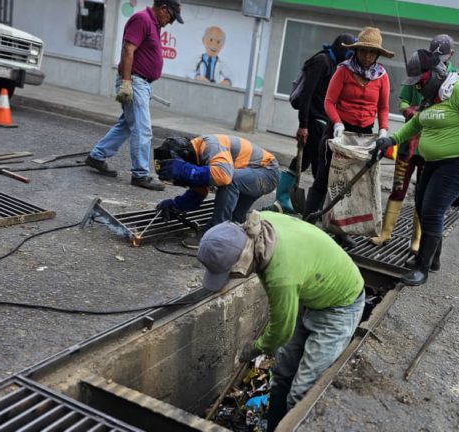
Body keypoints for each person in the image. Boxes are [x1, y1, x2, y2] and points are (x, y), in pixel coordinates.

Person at [196, 211, 364, 431]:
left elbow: (280, 334)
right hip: (311, 290)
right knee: (282, 373)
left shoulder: (281, 277)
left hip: (340, 305)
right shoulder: (262, 223)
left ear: (242, 258)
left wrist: (255, 348)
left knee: (301, 393)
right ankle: (273, 426)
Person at [374, 49, 459, 286]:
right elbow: (416, 124)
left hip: (458, 162)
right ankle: (433, 259)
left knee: (432, 211)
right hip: (433, 162)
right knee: (422, 207)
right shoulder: (431, 97)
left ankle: (422, 268)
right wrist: (392, 139)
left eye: (420, 82)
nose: (418, 88)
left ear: (435, 73)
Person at [371, 34, 459, 252]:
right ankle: (385, 233)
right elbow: (403, 100)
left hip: (433, 147)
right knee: (398, 188)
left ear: (451, 54)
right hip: (408, 145)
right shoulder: (419, 72)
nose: (439, 59)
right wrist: (410, 111)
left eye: (443, 56)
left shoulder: (458, 77)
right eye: (435, 55)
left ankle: (416, 239)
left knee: (423, 195)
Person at [84, 0, 183, 191]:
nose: (170, 22)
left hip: (141, 83)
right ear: (163, 8)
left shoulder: (153, 24)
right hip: (135, 81)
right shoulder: (142, 19)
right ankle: (140, 174)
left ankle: (97, 156)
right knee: (142, 129)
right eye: (171, 17)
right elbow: (128, 49)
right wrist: (126, 82)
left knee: (126, 125)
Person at [304, 27, 393, 223]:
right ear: (356, 50)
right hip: (338, 131)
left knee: (350, 184)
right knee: (323, 179)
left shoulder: (381, 76)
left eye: (372, 52)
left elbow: (383, 107)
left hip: (364, 135)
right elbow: (329, 102)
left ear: (377, 54)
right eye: (364, 51)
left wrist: (383, 130)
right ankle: (307, 221)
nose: (367, 56)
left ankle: (339, 228)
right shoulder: (343, 70)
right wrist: (337, 123)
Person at [266, 33, 356, 213]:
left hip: (323, 122)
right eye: (350, 53)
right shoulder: (322, 61)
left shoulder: (336, 65)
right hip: (314, 121)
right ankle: (309, 207)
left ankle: (286, 201)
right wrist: (303, 125)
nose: (351, 58)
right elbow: (307, 94)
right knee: (318, 165)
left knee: (306, 160)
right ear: (342, 49)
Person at [154, 135, 279, 231]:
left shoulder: (209, 146)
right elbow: (199, 192)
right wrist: (176, 204)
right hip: (253, 175)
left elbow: (223, 176)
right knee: (235, 222)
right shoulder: (196, 156)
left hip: (267, 172)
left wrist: (185, 170)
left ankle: (215, 231)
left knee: (230, 180)